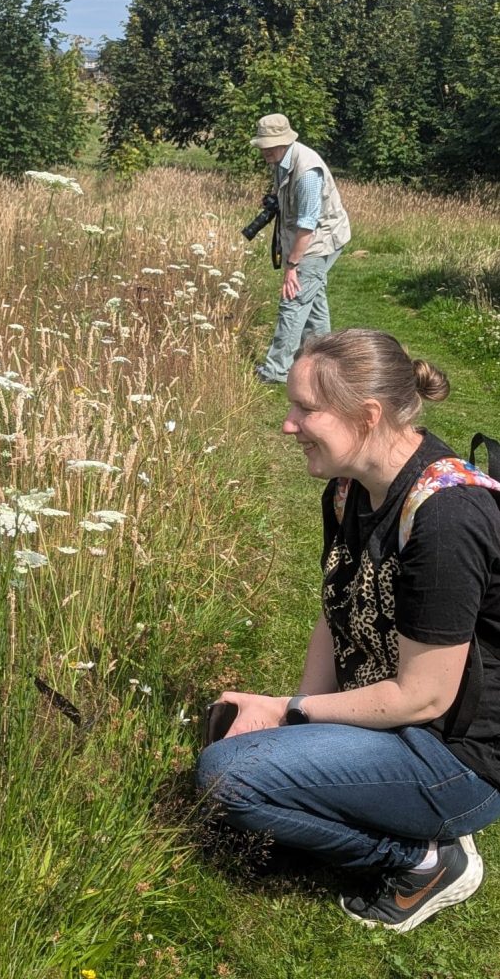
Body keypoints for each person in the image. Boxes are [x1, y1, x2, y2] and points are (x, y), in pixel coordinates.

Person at [197, 329, 500, 932]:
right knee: (226, 730)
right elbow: (335, 608)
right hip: (396, 719)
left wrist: (293, 712)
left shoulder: (445, 518)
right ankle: (372, 813)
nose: (288, 425)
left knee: (226, 778)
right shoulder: (348, 491)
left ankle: (423, 859)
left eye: (306, 409)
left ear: (367, 416)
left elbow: (427, 695)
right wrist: (294, 717)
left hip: (457, 756)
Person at [250, 114, 351, 384]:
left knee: (292, 302)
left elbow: (308, 225)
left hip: (318, 241)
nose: (263, 150)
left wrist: (292, 267)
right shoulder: (281, 161)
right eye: (262, 145)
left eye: (268, 145)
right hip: (306, 238)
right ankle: (324, 364)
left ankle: (276, 371)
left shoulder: (307, 172)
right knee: (313, 301)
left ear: (284, 141)